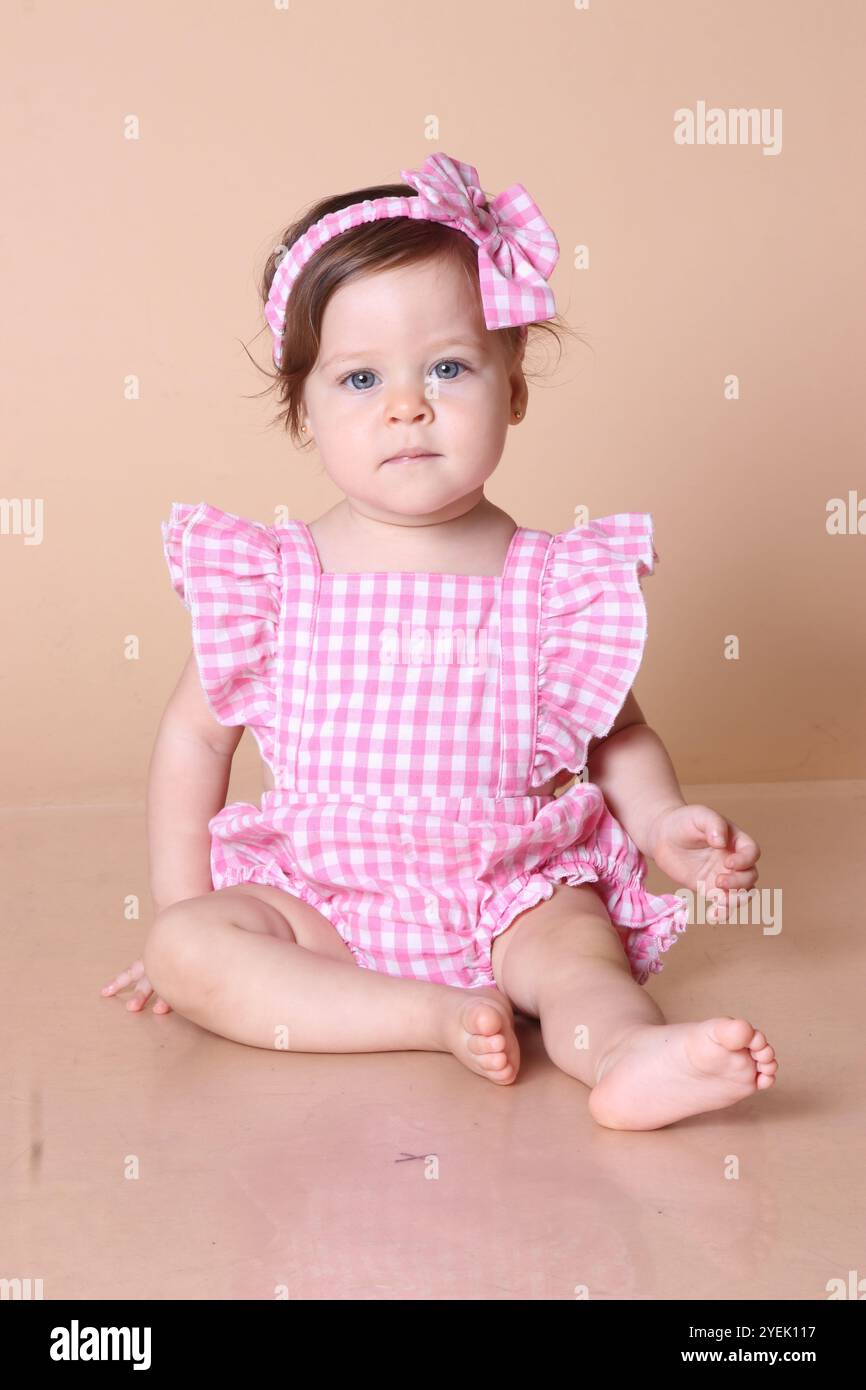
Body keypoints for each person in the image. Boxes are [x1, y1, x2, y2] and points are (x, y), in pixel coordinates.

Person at [101, 152, 777, 1129]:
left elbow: (615, 735)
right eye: (360, 376)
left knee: (579, 955)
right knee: (189, 948)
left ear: (512, 390)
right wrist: (179, 905)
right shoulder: (274, 582)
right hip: (321, 904)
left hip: (510, 892)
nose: (405, 404)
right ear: (305, 409)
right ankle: (424, 1016)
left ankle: (625, 1054)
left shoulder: (552, 584)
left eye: (448, 367)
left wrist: (662, 822)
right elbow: (193, 740)